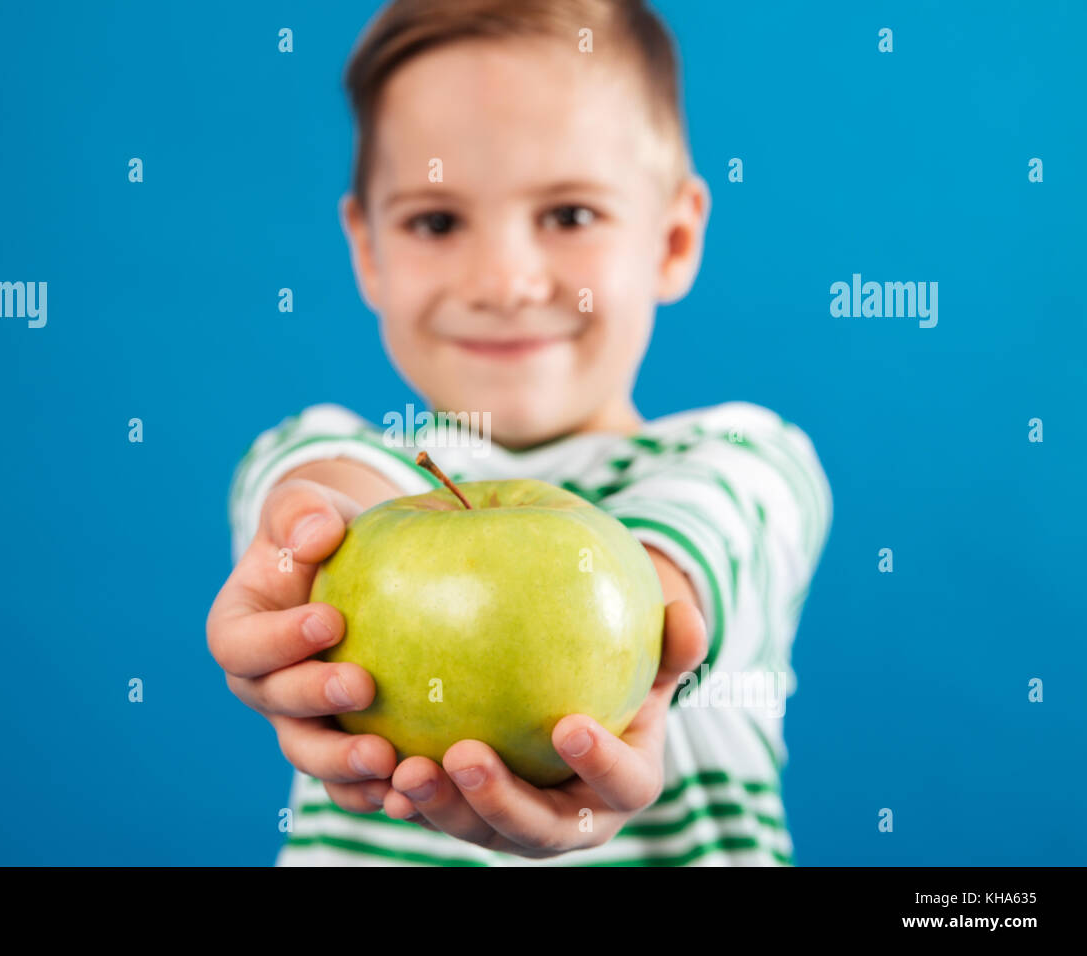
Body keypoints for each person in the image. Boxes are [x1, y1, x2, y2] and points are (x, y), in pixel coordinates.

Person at [208, 0, 833, 866]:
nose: (503, 280)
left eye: (570, 214)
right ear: (368, 252)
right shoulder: (353, 456)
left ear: (674, 238)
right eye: (436, 221)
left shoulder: (747, 458)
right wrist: (312, 538)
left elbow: (693, 551)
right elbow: (318, 484)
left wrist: (626, 642)